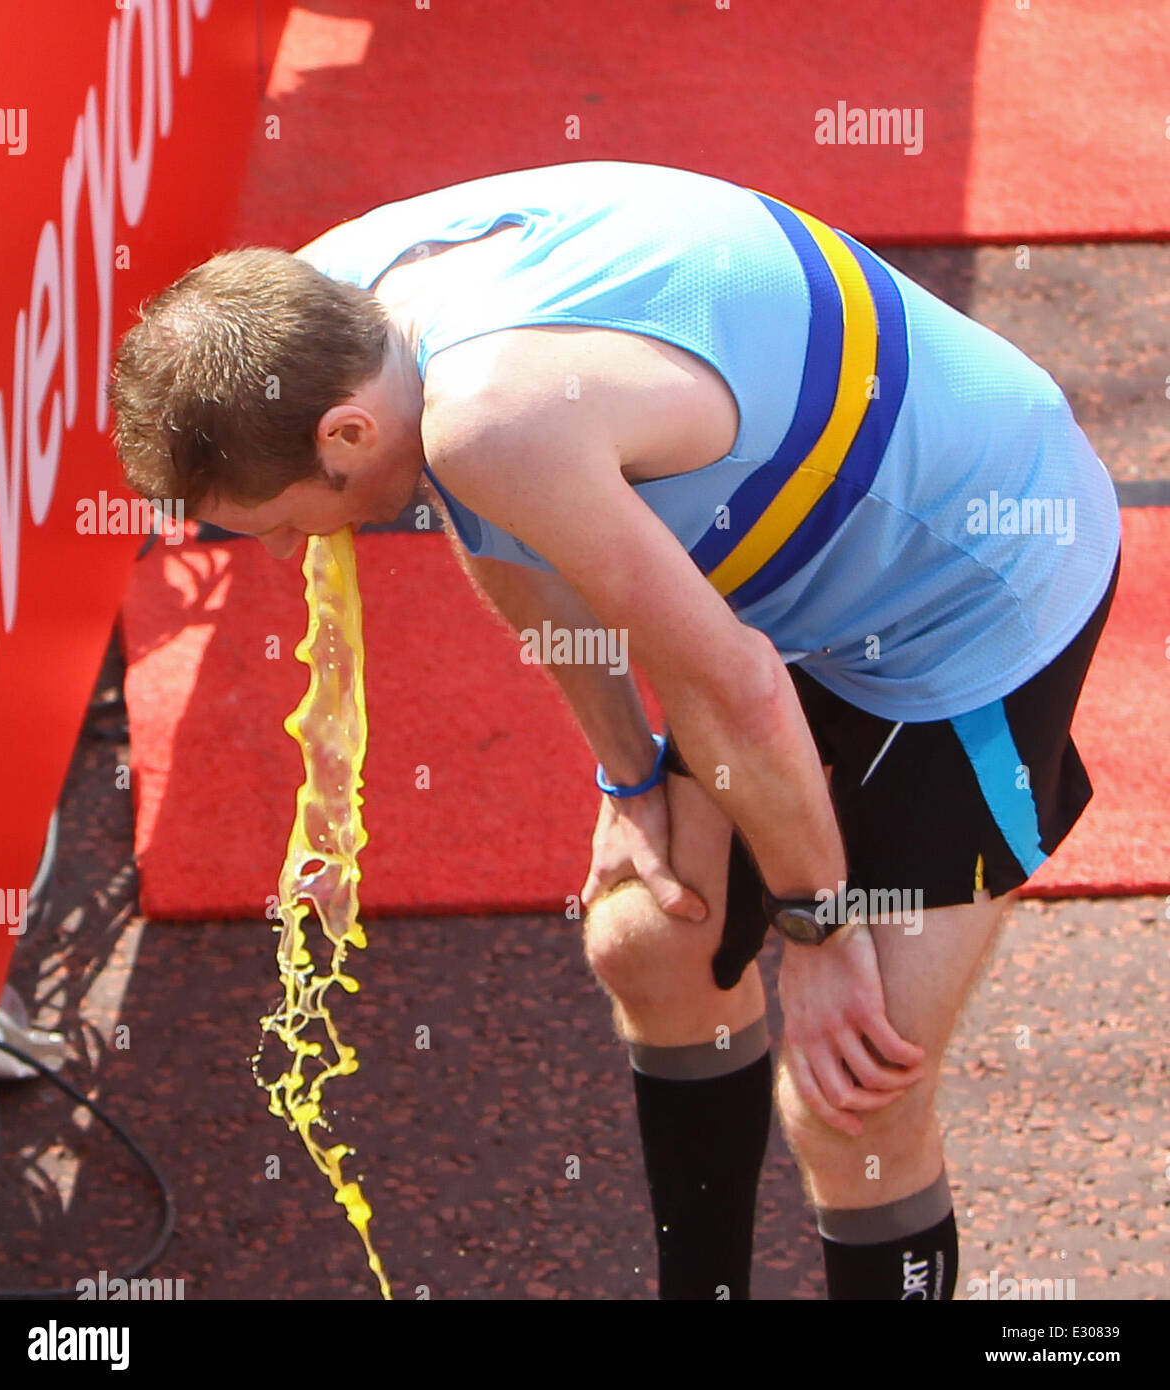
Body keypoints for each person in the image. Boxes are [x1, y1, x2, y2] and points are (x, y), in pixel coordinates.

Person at [110, 160, 1121, 1300]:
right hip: (784, 588)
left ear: (345, 432)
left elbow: (733, 685)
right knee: (648, 940)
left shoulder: (489, 413)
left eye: (290, 521)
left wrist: (825, 936)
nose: (297, 552)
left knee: (854, 1102)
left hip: (968, 591)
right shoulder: (334, 305)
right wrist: (626, 776)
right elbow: (513, 545)